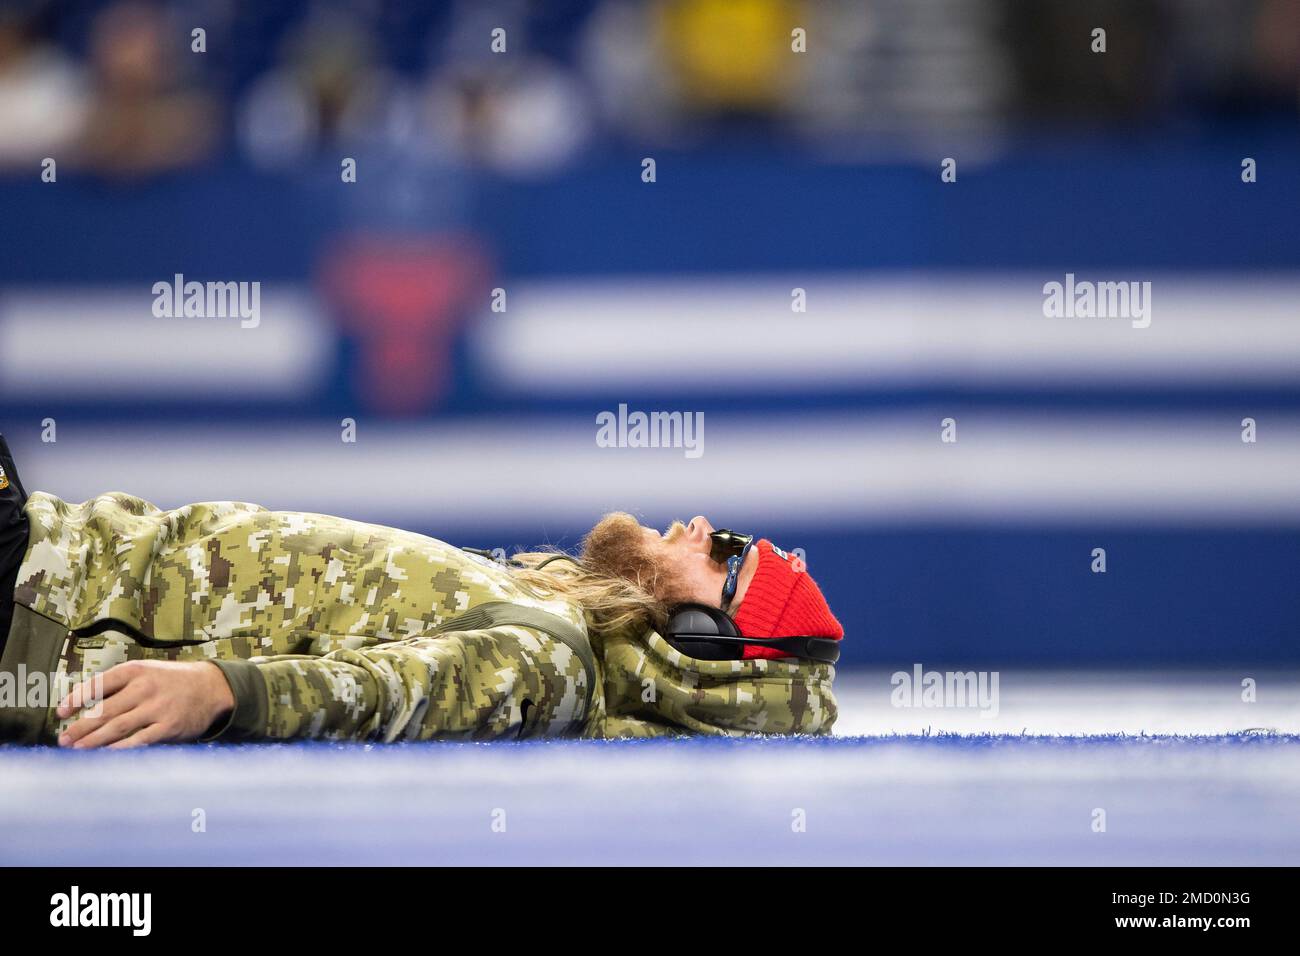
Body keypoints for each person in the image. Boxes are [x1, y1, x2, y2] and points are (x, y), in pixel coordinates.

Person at [0, 434, 841, 748]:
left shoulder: (551, 662)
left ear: (702, 636)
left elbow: (391, 692)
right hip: (67, 559)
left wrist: (224, 692)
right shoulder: (557, 612)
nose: (701, 525)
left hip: (46, 607)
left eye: (726, 555)